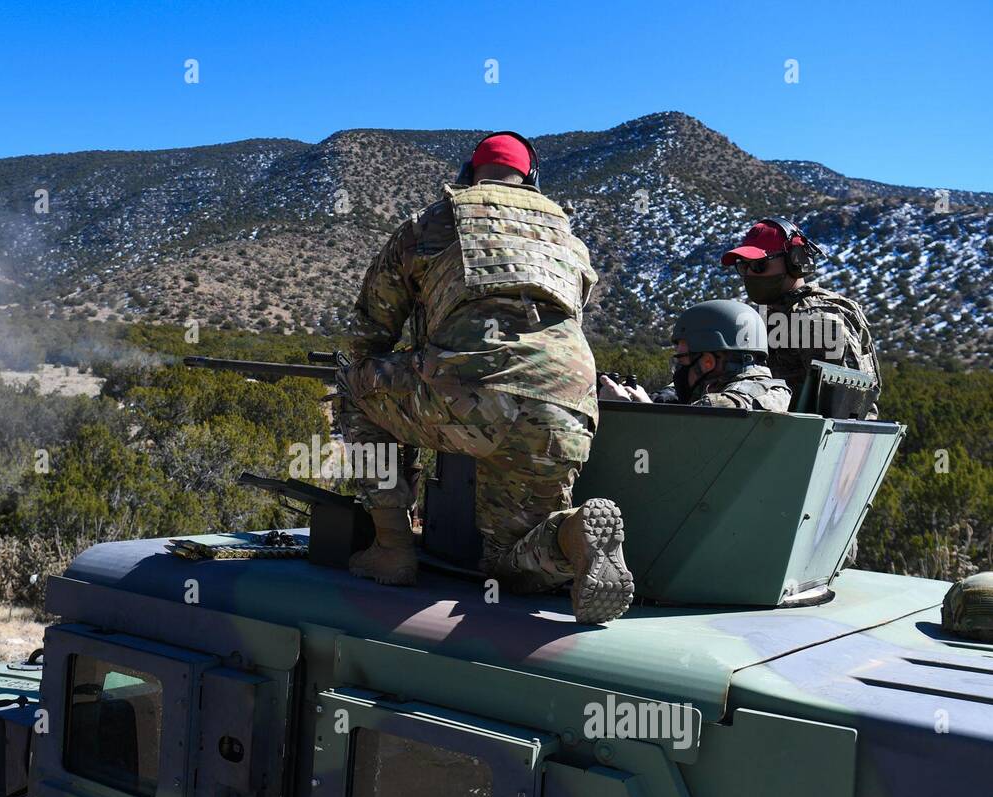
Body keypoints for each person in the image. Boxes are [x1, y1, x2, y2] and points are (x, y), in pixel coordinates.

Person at [335, 131, 634, 624]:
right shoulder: (569, 240)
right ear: (532, 180)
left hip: (467, 397)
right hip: (564, 406)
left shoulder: (430, 223)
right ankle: (571, 535)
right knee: (507, 564)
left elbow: (369, 332)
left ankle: (391, 547)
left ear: (467, 175)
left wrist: (399, 370)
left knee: (354, 384)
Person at [722, 217, 881, 418]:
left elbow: (845, 414)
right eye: (743, 266)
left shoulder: (819, 321)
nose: (749, 275)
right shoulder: (768, 315)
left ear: (794, 260)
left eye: (759, 266)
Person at [599, 300, 792, 411]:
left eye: (682, 360)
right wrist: (649, 405)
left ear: (707, 362)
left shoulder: (723, 406)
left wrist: (625, 409)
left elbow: (671, 445)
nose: (680, 370)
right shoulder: (759, 389)